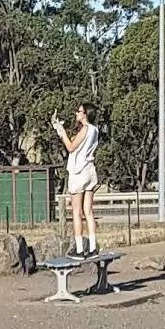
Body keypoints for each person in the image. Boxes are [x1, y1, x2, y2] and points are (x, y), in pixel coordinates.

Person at [52, 104, 100, 260]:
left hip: (79, 173)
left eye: (79, 111)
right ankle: (93, 247)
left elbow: (71, 147)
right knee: (89, 211)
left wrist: (61, 130)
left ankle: (79, 250)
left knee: (76, 212)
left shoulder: (85, 129)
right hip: (90, 171)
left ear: (85, 114)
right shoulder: (95, 130)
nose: (77, 113)